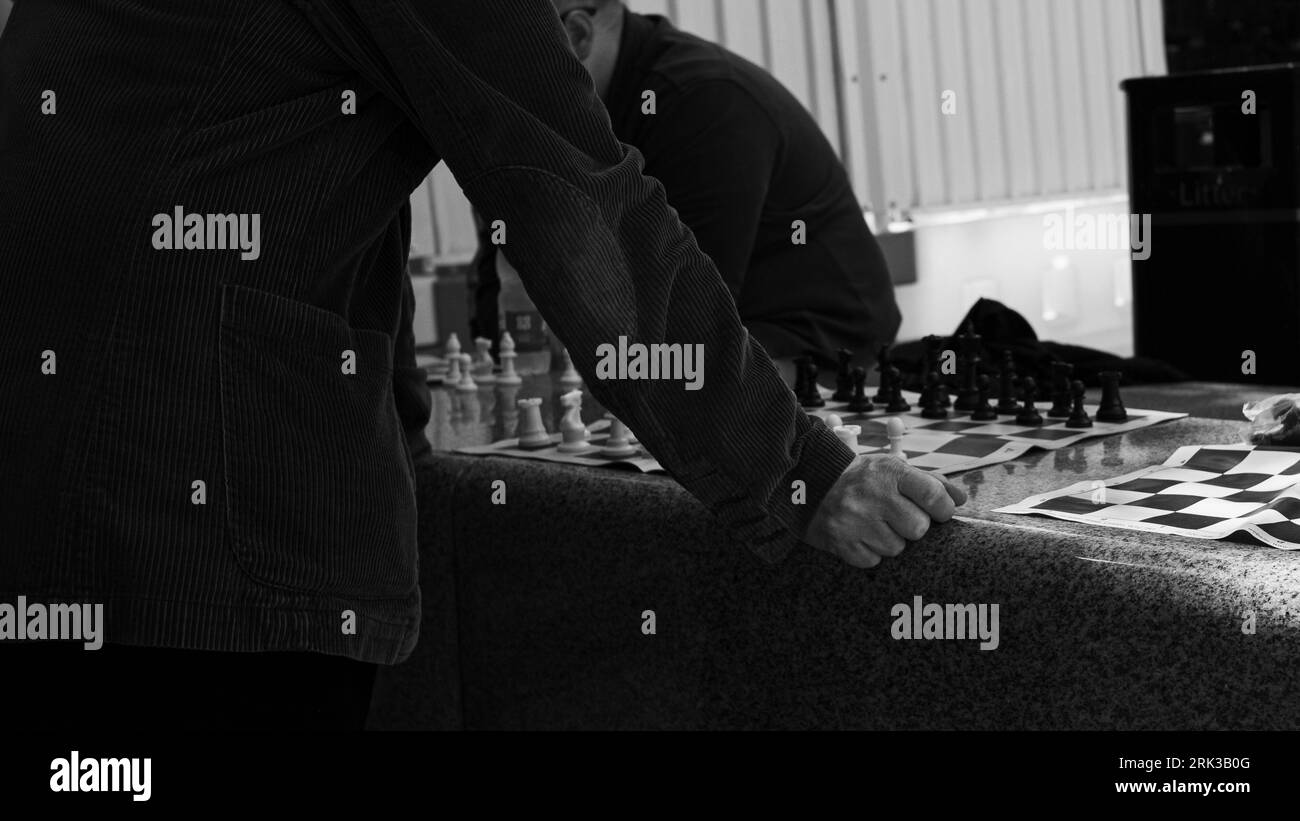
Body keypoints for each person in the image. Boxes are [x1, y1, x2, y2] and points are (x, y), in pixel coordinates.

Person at [0, 0, 963, 731]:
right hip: (210, 528)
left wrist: (402, 442)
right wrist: (799, 472)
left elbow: (303, 212)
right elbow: (580, 209)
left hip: (56, 489)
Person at [473, 0, 902, 380]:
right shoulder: (551, 123)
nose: (484, 83)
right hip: (687, 349)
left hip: (816, 356)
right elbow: (502, 308)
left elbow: (690, 323)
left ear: (577, 34)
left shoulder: (704, 102)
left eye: (497, 59)